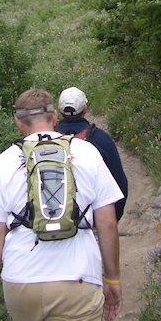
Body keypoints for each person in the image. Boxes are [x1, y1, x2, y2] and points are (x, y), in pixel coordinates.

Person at [0, 88, 123, 321]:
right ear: (54, 117)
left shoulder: (3, 162)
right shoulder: (87, 152)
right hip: (77, 280)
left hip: (21, 282)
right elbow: (107, 222)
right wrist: (112, 279)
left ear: (18, 122)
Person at [56, 87, 128, 222]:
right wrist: (112, 217)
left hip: (52, 219)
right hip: (92, 219)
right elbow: (119, 183)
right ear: (85, 109)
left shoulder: (46, 140)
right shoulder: (100, 138)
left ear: (59, 111)